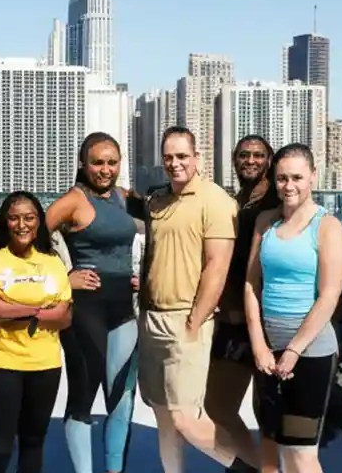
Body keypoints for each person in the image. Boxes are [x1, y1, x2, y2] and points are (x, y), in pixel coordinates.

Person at [139, 125, 260, 473]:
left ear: (197, 157)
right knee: (163, 416)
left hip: (186, 321)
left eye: (182, 156)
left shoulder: (216, 200)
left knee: (185, 419)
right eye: (168, 157)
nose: (175, 163)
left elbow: (216, 266)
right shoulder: (158, 201)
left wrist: (194, 321)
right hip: (151, 319)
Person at [243, 144, 342, 473]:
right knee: (273, 446)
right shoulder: (265, 222)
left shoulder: (327, 227)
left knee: (301, 454)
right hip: (267, 352)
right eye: (282, 178)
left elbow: (329, 296)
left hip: (311, 352)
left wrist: (293, 351)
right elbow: (250, 285)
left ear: (313, 177)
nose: (289, 186)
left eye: (297, 178)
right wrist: (259, 345)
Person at [46, 133, 140, 473]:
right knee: (83, 397)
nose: (105, 169)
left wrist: (146, 278)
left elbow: (165, 231)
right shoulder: (72, 200)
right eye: (97, 162)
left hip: (123, 310)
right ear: (83, 164)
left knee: (122, 399)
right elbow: (30, 238)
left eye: (112, 162)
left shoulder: (126, 198)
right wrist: (63, 278)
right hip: (84, 312)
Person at [0, 192, 73, 473]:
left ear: (38, 222)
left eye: (29, 218)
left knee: (33, 443)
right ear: (5, 222)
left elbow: (64, 317)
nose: (22, 225)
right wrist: (39, 310)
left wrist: (16, 307)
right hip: (2, 364)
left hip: (46, 366)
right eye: (15, 218)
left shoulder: (53, 262)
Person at [205, 135, 276, 473]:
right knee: (217, 406)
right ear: (234, 159)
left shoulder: (275, 203)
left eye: (258, 155)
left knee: (269, 415)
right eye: (244, 154)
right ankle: (251, 467)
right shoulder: (234, 202)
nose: (250, 160)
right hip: (232, 322)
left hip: (267, 325)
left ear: (270, 159)